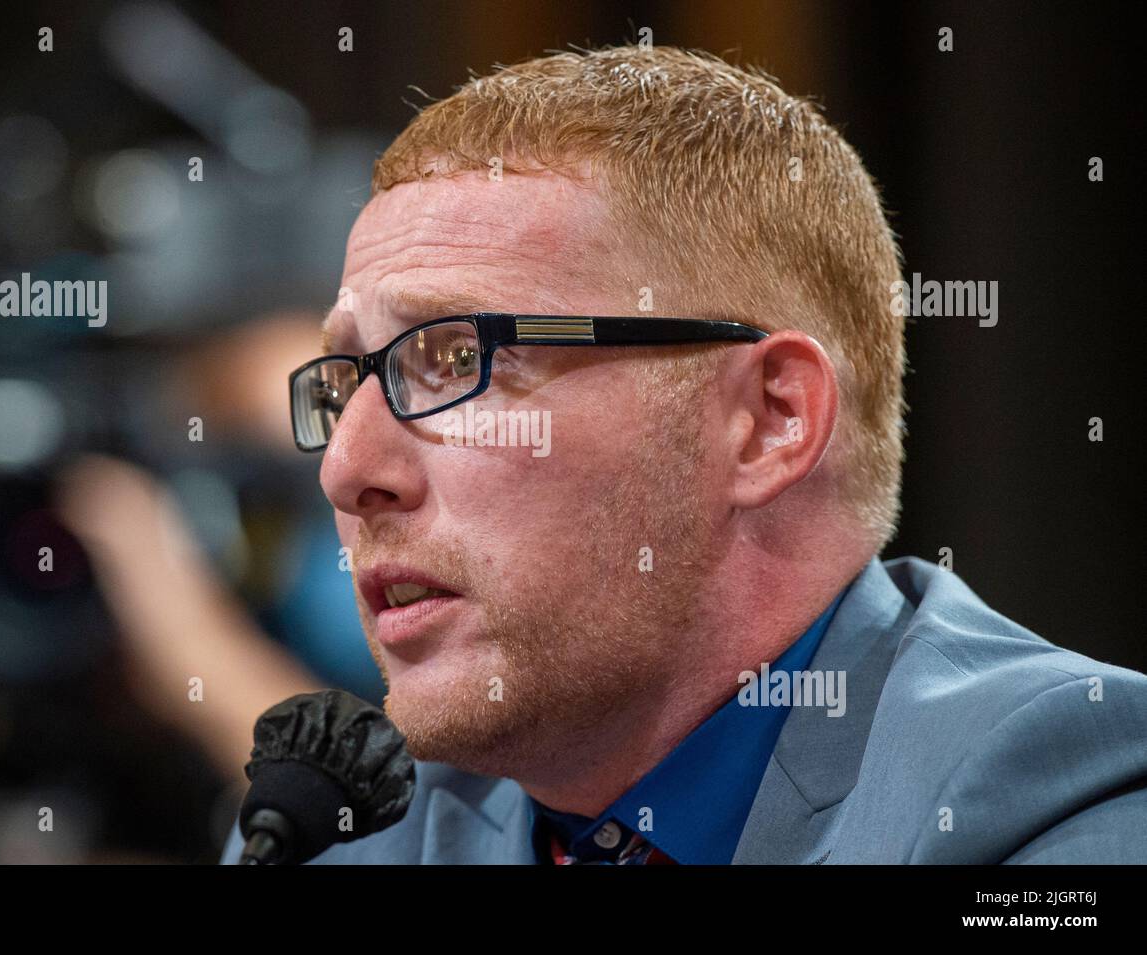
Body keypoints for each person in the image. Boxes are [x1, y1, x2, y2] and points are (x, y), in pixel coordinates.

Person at [221, 45, 1147, 864]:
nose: (345, 469)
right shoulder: (344, 833)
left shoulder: (1056, 789)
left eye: (456, 358)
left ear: (768, 419)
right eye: (346, 380)